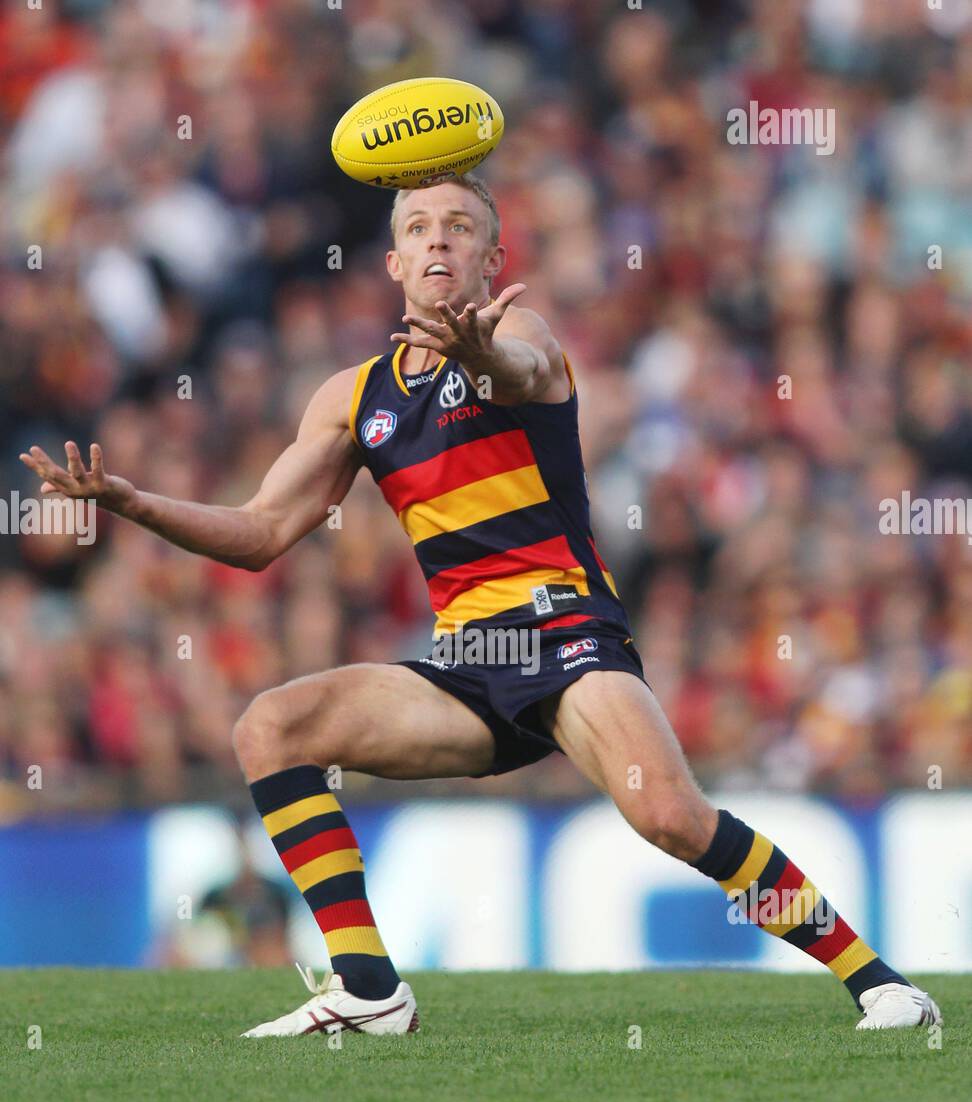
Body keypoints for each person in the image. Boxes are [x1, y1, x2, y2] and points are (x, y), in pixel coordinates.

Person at [21, 172, 941, 1036]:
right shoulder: (353, 400)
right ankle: (371, 992)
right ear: (391, 264)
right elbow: (262, 533)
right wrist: (136, 506)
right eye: (417, 230)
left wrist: (484, 348)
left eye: (460, 230)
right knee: (272, 726)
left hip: (568, 632)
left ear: (491, 260)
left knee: (668, 815)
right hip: (467, 666)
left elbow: (521, 367)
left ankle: (879, 983)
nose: (438, 244)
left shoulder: (523, 332)